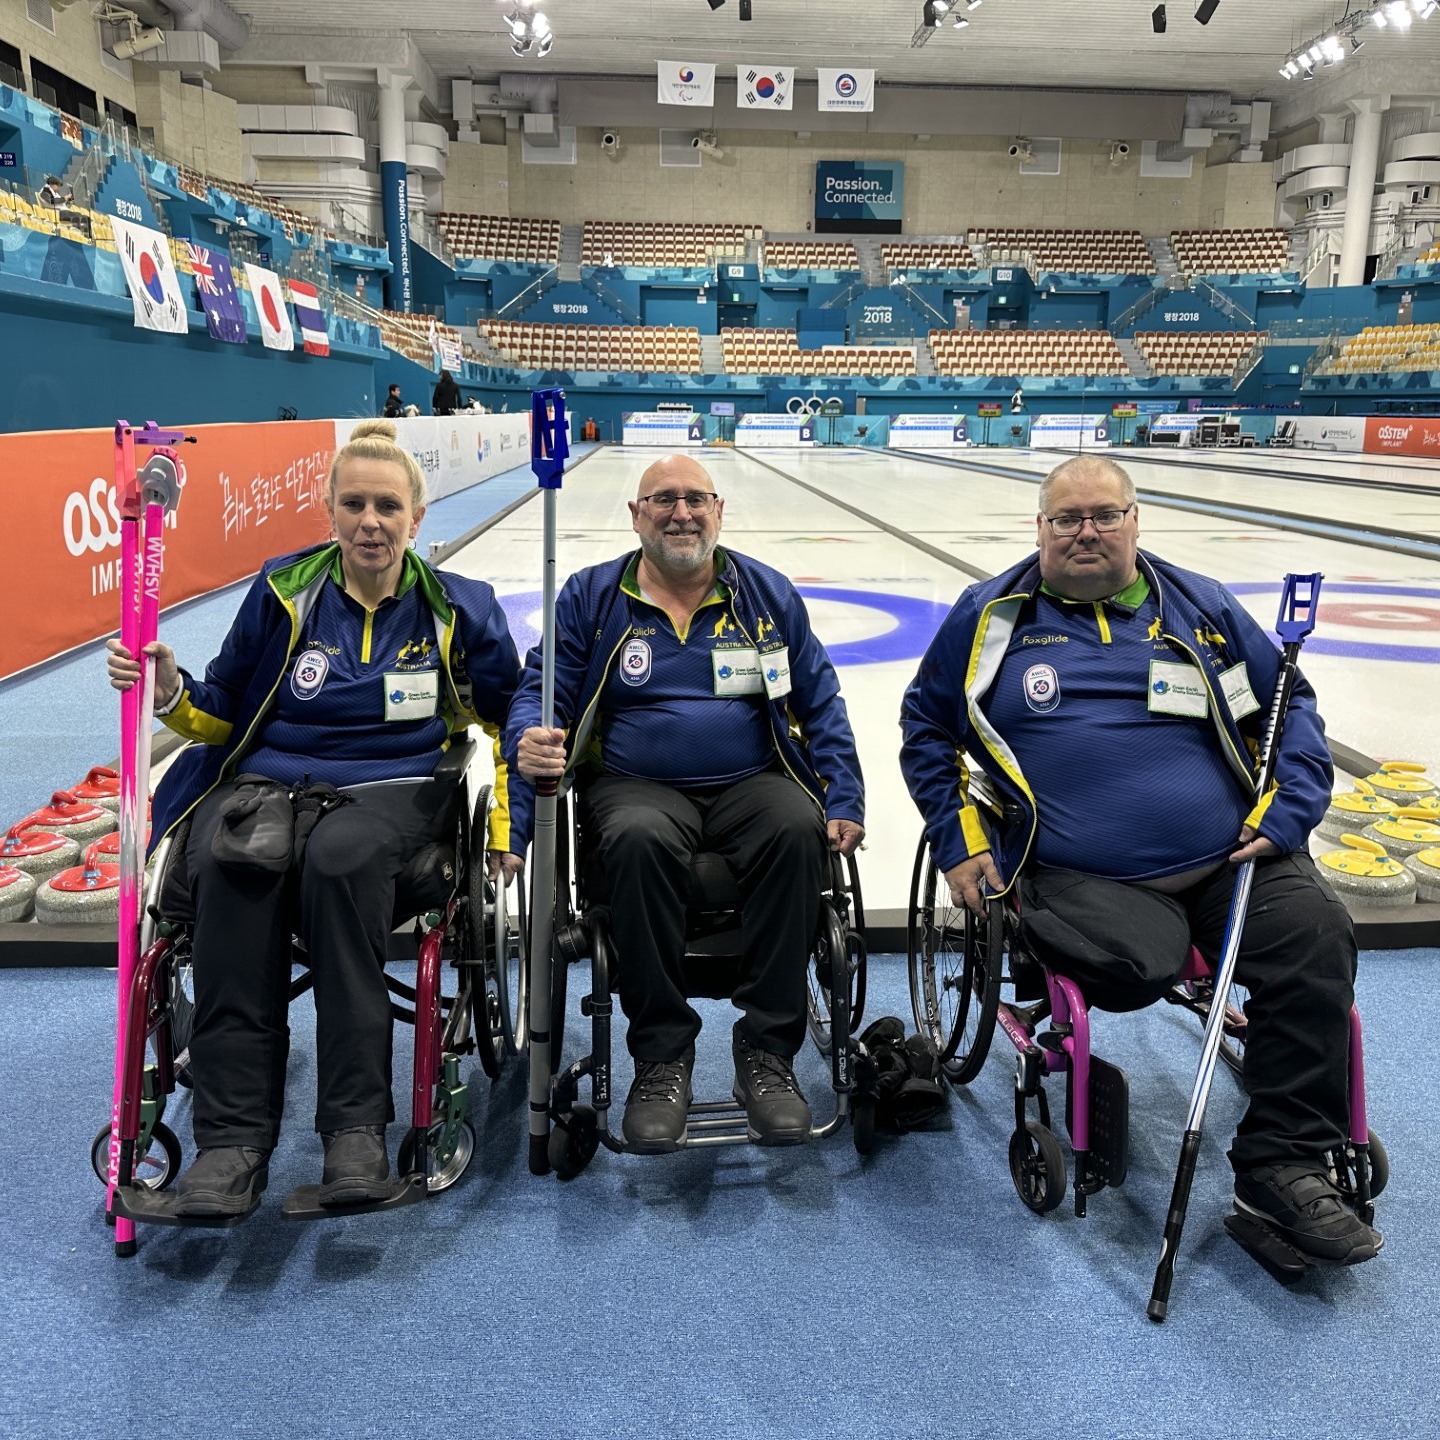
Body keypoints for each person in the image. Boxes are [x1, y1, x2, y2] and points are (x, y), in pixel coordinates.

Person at [899, 453, 1380, 1267]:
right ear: (1040, 529)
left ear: (1134, 521)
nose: (1086, 532)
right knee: (1131, 971)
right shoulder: (990, 616)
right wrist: (959, 838)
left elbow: (1288, 704)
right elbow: (925, 729)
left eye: (1105, 515)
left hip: (1233, 859)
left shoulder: (1202, 607)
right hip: (1080, 875)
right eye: (1067, 519)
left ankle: (1282, 1161)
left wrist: (1291, 807)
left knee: (1315, 937)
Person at [106, 419, 529, 1219]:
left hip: (392, 791)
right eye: (355, 504)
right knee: (232, 866)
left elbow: (510, 718)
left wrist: (505, 830)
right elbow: (224, 706)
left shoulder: (458, 608)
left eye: (388, 507)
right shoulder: (281, 590)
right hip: (266, 788)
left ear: (416, 518)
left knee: (341, 861)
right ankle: (229, 1147)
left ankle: (354, 1136)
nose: (371, 521)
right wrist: (169, 690)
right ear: (329, 510)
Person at [506, 453, 865, 1153]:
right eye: (663, 500)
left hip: (753, 779)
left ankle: (766, 1055)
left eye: (695, 499)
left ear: (719, 510)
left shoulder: (765, 594)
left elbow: (820, 700)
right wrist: (530, 734)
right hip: (636, 784)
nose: (681, 513)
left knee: (798, 828)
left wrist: (844, 793)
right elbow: (539, 688)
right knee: (636, 839)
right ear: (636, 516)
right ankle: (661, 1057)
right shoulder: (592, 596)